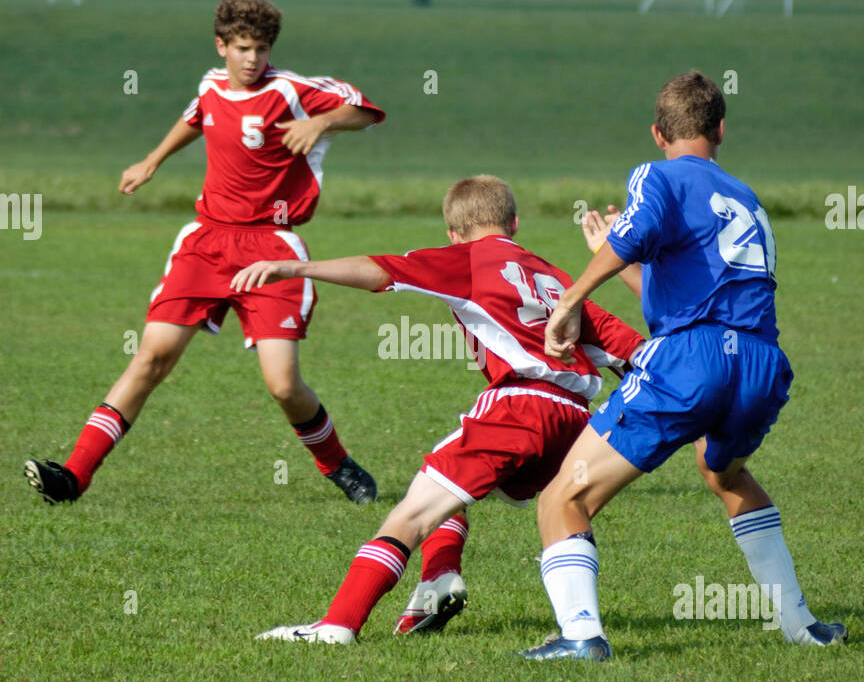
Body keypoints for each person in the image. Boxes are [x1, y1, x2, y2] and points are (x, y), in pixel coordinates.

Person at [229, 174, 644, 645]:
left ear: (453, 233)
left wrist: (297, 269)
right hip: (574, 420)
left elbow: (379, 271)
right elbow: (628, 349)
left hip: (519, 407)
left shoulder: (465, 258)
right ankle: (446, 582)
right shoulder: (556, 278)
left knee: (411, 514)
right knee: (467, 491)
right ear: (515, 222)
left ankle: (337, 626)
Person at [526, 70, 846, 661]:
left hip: (692, 361)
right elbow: (677, 293)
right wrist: (611, 252)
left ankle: (580, 636)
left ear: (657, 133)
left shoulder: (656, 175)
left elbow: (641, 231)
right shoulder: (744, 196)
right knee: (724, 474)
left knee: (560, 500)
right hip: (759, 364)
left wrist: (571, 299)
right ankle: (802, 625)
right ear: (721, 129)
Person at [24, 0, 384, 508]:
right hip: (207, 242)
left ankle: (337, 464)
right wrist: (151, 161)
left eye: (261, 48)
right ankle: (74, 476)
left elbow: (368, 111)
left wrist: (321, 122)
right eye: (242, 48)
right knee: (151, 357)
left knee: (283, 385)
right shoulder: (212, 85)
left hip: (271, 249)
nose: (252, 58)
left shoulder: (293, 90)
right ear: (221, 46)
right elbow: (198, 116)